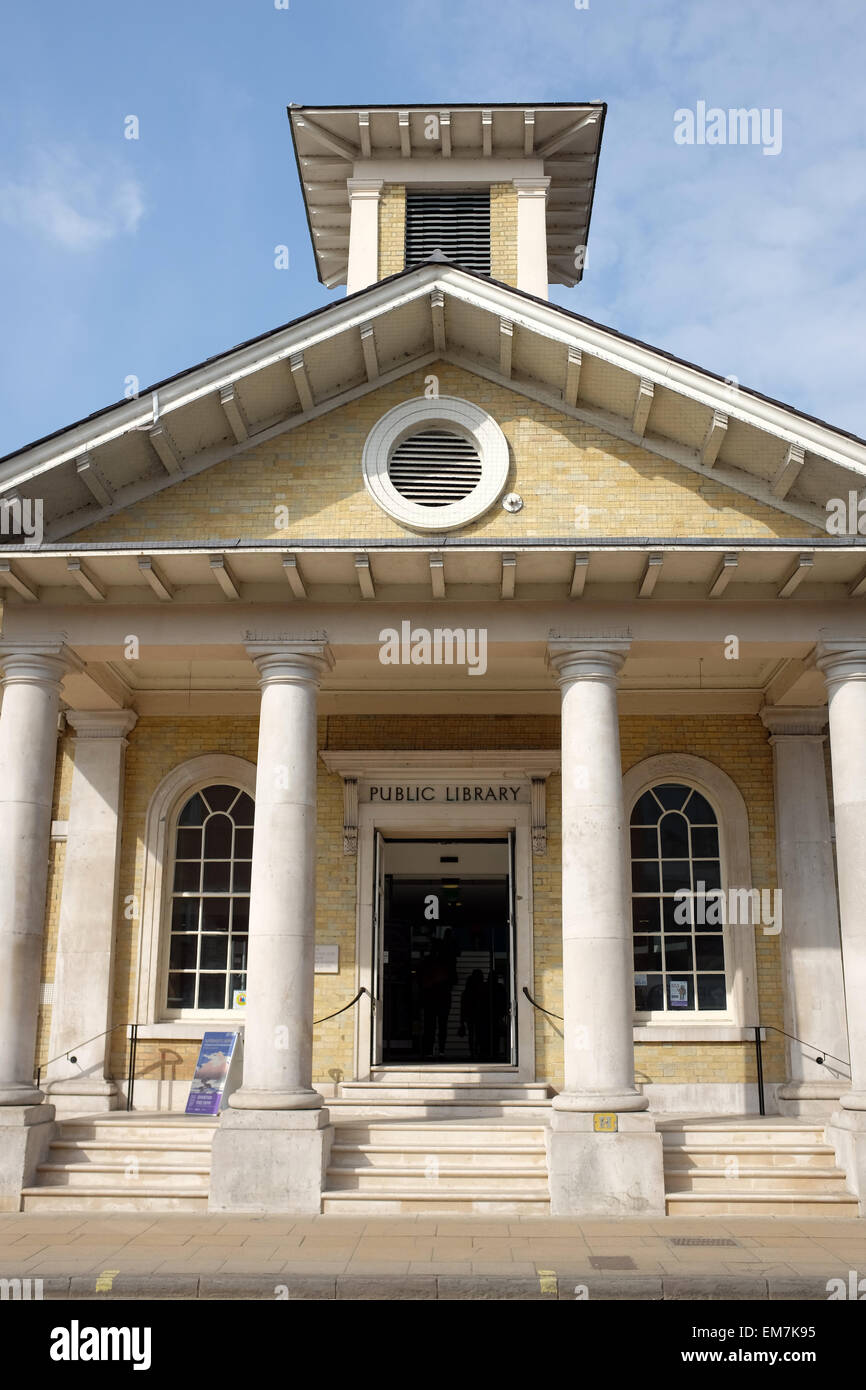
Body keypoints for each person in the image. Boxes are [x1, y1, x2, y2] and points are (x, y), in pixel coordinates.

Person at [459, 969, 488, 1060]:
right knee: (480, 1034)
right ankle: (479, 1052)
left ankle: (473, 1052)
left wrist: (462, 1020)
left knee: (472, 1034)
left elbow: (463, 1006)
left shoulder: (467, 992)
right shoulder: (483, 990)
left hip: (470, 1015)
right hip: (480, 1015)